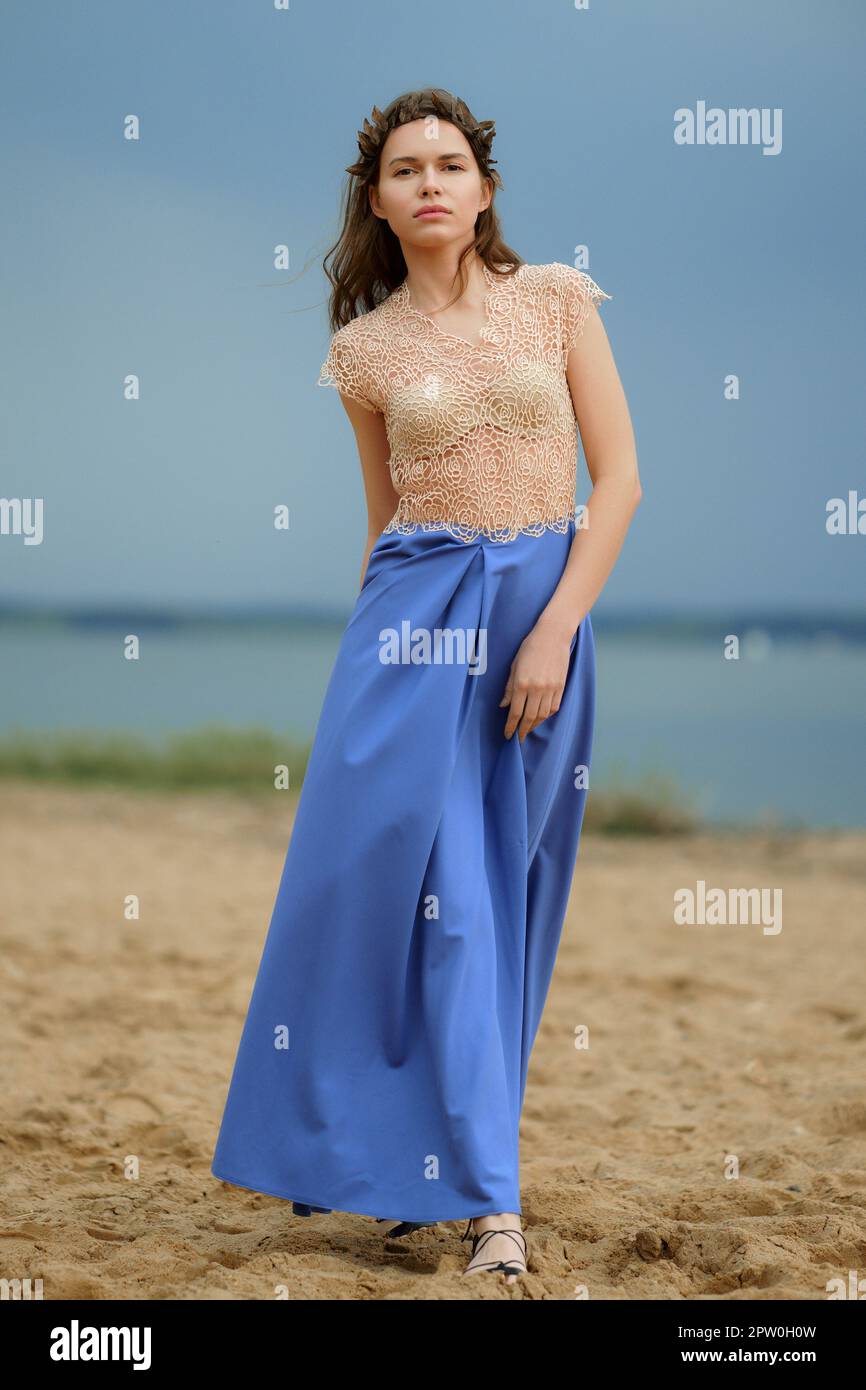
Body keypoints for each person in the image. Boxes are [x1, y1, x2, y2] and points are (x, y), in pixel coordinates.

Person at [211, 87, 640, 1285]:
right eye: (406, 170)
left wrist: (555, 626)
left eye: (451, 164)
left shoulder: (557, 300)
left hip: (536, 628)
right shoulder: (363, 350)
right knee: (430, 904)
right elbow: (383, 522)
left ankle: (430, 1170)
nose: (431, 183)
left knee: (500, 905)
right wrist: (366, 679)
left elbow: (618, 487)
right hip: (408, 635)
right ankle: (492, 1208)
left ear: (485, 188)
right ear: (379, 200)